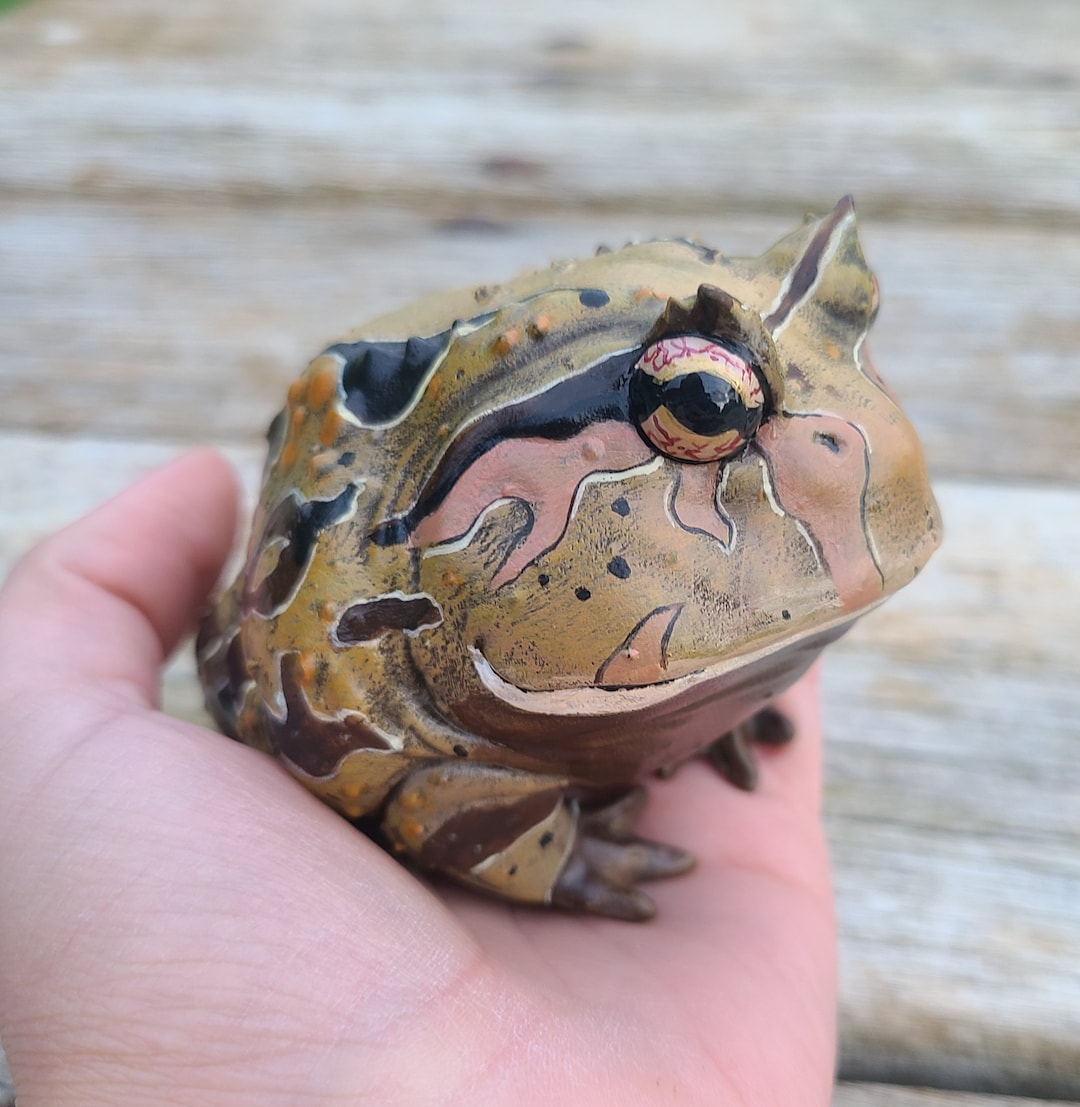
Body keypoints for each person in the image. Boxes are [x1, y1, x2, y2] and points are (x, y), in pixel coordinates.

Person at [0, 451, 836, 1106]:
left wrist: (703, 702)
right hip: (360, 702)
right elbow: (432, 795)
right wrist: (562, 855)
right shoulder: (482, 626)